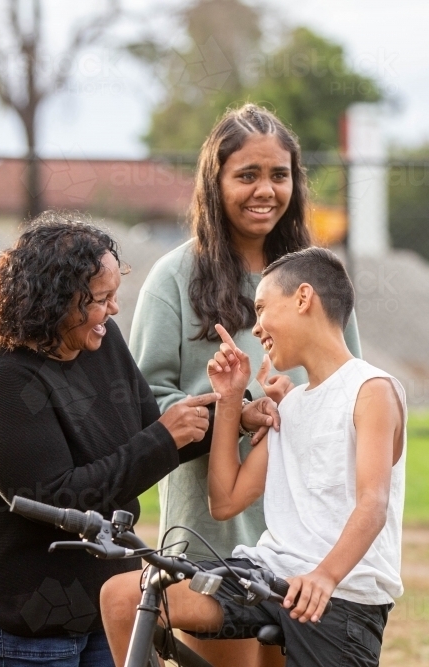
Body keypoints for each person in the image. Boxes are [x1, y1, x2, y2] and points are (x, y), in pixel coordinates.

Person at [0, 213, 272, 666]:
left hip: (101, 595)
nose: (114, 310)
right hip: (20, 608)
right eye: (101, 299)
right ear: (56, 301)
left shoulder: (102, 341)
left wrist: (235, 417)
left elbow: (148, 432)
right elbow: (60, 498)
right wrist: (162, 437)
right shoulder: (5, 378)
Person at [128, 103, 362, 665]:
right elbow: (139, 403)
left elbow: (351, 390)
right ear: (216, 182)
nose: (265, 190)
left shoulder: (320, 279)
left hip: (304, 533)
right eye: (247, 175)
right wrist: (232, 410)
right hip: (213, 528)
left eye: (278, 175)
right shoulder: (174, 278)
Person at [102, 247, 406, 667]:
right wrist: (229, 401)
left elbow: (373, 502)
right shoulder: (289, 405)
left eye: (262, 309)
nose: (256, 327)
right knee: (122, 597)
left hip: (340, 596)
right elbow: (225, 501)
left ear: (303, 298)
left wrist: (325, 575)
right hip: (264, 577)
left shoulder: (371, 389)